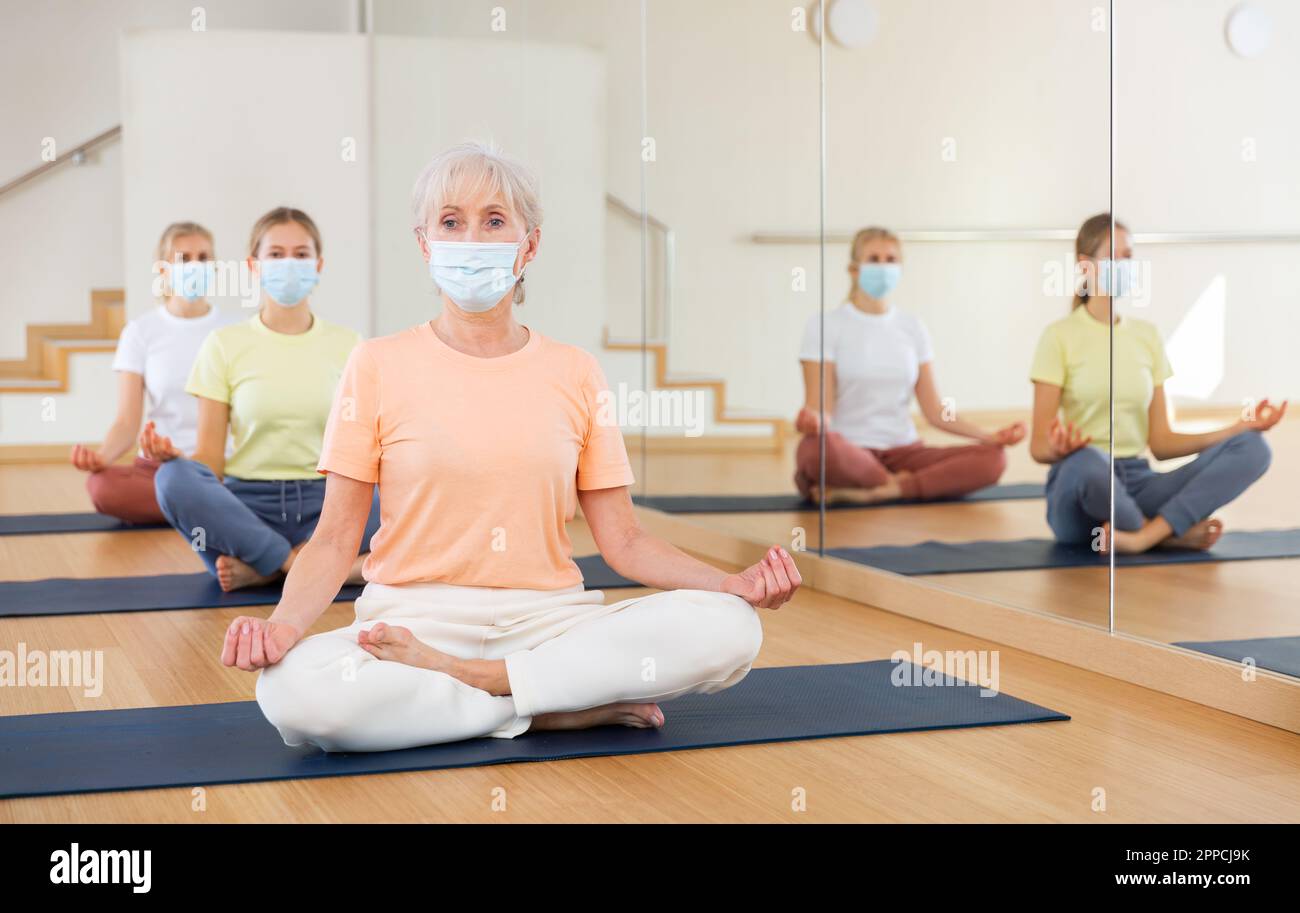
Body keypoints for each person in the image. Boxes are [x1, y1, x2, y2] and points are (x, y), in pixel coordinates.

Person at [220, 143, 800, 753]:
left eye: (494, 220)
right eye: (451, 221)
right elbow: (337, 539)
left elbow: (624, 541)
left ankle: (483, 685)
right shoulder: (375, 364)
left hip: (547, 623)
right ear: (425, 243)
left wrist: (728, 584)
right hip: (411, 624)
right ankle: (545, 708)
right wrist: (282, 626)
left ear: (530, 245)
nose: (472, 237)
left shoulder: (575, 371)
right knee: (292, 693)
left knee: (731, 627)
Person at [142, 207, 380, 590]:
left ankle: (267, 569)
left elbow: (362, 453)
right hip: (249, 508)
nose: (289, 263)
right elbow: (211, 462)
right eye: (275, 254)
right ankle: (300, 563)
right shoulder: (224, 344)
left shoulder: (349, 345)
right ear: (254, 266)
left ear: (318, 265)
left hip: (328, 505)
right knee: (172, 479)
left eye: (301, 254)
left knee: (410, 481)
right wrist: (177, 459)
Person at [1029, 213, 1282, 553]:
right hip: (1079, 489)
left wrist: (1237, 428)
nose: (1124, 265)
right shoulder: (1058, 337)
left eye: (1128, 257)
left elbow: (1161, 442)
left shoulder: (1146, 336)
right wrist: (1060, 449)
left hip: (1138, 483)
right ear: (1085, 266)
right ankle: (1169, 533)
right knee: (1089, 462)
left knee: (1253, 448)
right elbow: (1038, 447)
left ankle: (1143, 537)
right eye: (1113, 257)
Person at [794, 227, 1023, 503]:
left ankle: (881, 491)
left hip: (905, 452)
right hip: (850, 451)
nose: (883, 267)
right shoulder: (825, 325)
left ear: (900, 268)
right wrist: (812, 422)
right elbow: (822, 410)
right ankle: (899, 485)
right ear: (854, 269)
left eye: (890, 260)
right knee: (813, 450)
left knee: (993, 459)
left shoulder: (912, 327)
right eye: (873, 259)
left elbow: (936, 411)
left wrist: (989, 436)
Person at [72, 222, 234, 524]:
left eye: (204, 258)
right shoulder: (140, 332)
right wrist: (102, 457)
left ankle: (194, 508)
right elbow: (126, 420)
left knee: (251, 489)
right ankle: (210, 512)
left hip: (221, 469)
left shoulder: (234, 330)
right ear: (163, 269)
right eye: (184, 259)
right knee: (102, 487)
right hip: (162, 468)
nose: (195, 266)